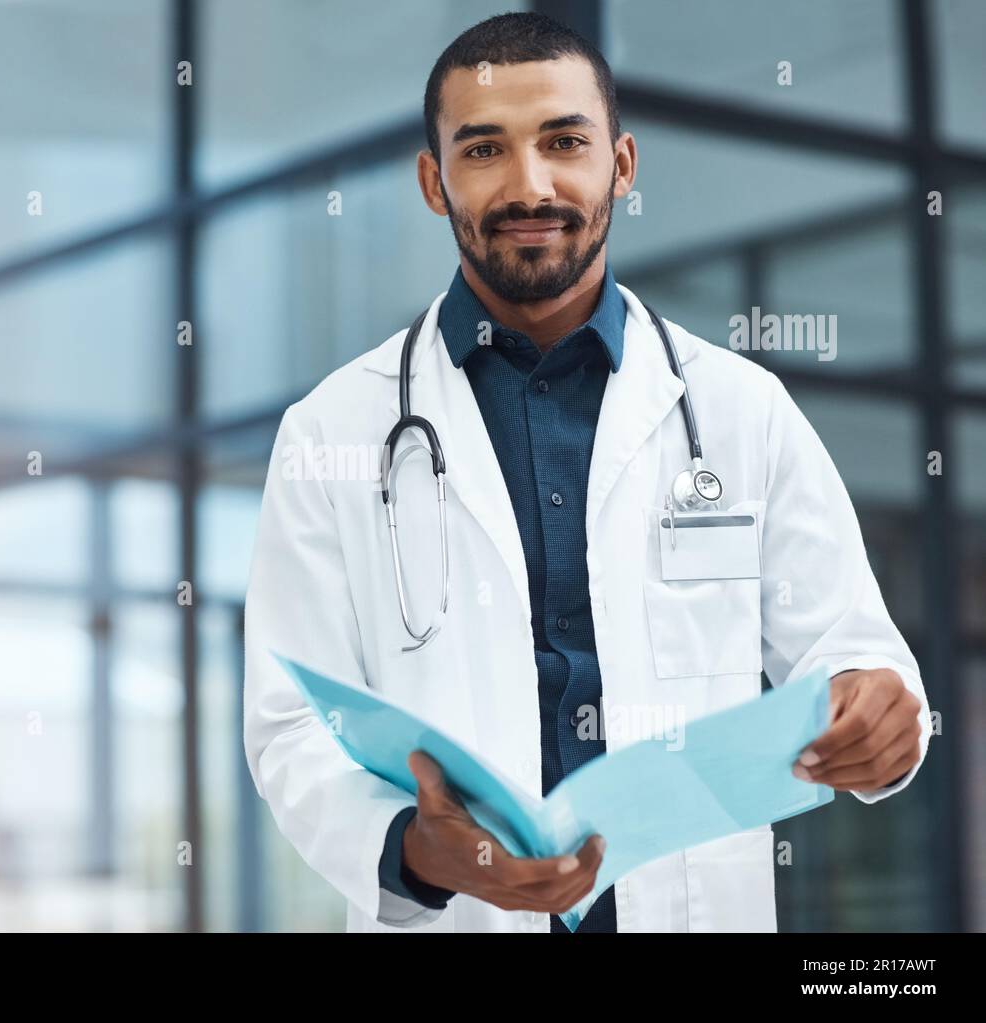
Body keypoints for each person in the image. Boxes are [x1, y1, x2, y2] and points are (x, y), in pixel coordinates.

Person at [242, 11, 930, 933]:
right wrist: (412, 846)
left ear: (623, 165)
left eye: (565, 141)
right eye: (483, 150)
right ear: (432, 181)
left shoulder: (739, 410)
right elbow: (290, 725)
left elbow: (856, 654)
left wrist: (883, 719)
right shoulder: (332, 431)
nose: (530, 186)